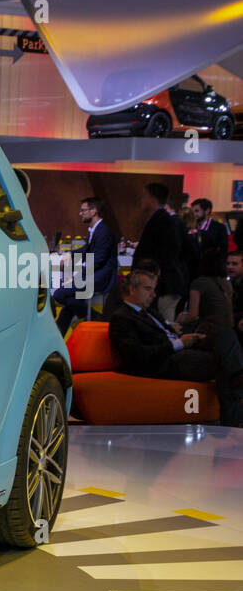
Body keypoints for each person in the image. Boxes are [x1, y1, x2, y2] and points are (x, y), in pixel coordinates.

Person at [108, 263, 243, 426]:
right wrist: (179, 343)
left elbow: (168, 334)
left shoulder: (149, 312)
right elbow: (137, 354)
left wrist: (186, 337)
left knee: (225, 334)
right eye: (148, 289)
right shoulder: (122, 317)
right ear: (132, 289)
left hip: (178, 351)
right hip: (163, 361)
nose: (153, 295)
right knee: (224, 364)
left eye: (153, 289)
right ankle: (233, 415)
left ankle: (236, 385)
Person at [53, 196, 118, 332]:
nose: (80, 213)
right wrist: (70, 254)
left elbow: (97, 260)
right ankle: (59, 334)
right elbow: (86, 250)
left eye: (83, 210)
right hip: (93, 275)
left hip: (101, 279)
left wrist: (77, 277)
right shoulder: (97, 230)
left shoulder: (103, 231)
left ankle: (97, 317)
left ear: (93, 211)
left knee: (59, 294)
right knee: (70, 302)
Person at [133, 182, 186, 322]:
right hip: (161, 285)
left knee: (165, 326)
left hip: (165, 286)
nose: (141, 200)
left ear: (152, 199)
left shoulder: (163, 220)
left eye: (144, 197)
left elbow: (166, 255)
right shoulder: (159, 219)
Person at [178, 250, 236, 338]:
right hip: (229, 332)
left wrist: (181, 318)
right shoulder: (227, 283)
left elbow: (193, 315)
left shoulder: (198, 283)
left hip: (209, 333)